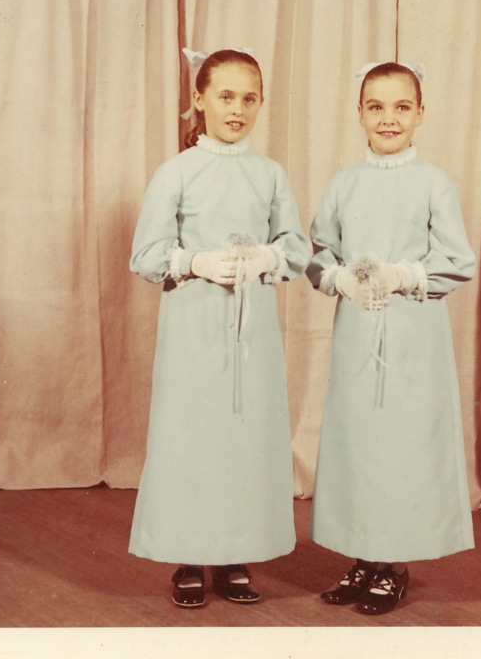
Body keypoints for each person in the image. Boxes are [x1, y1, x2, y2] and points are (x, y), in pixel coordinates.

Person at [129, 48, 311, 608]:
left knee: (243, 438)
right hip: (194, 326)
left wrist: (266, 260)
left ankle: (234, 553)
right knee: (192, 437)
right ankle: (188, 554)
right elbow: (146, 254)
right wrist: (195, 262)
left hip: (251, 332)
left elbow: (296, 248)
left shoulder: (269, 173)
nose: (237, 109)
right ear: (198, 100)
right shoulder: (176, 172)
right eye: (225, 96)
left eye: (249, 98)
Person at [306, 62, 477, 615]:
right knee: (360, 445)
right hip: (358, 332)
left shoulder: (433, 182)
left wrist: (404, 276)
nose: (388, 118)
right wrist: (340, 281)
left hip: (412, 337)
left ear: (421, 114)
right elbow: (316, 255)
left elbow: (457, 260)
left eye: (402, 107)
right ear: (359, 114)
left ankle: (395, 563)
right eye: (375, 107)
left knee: (402, 447)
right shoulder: (343, 184)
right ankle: (364, 555)